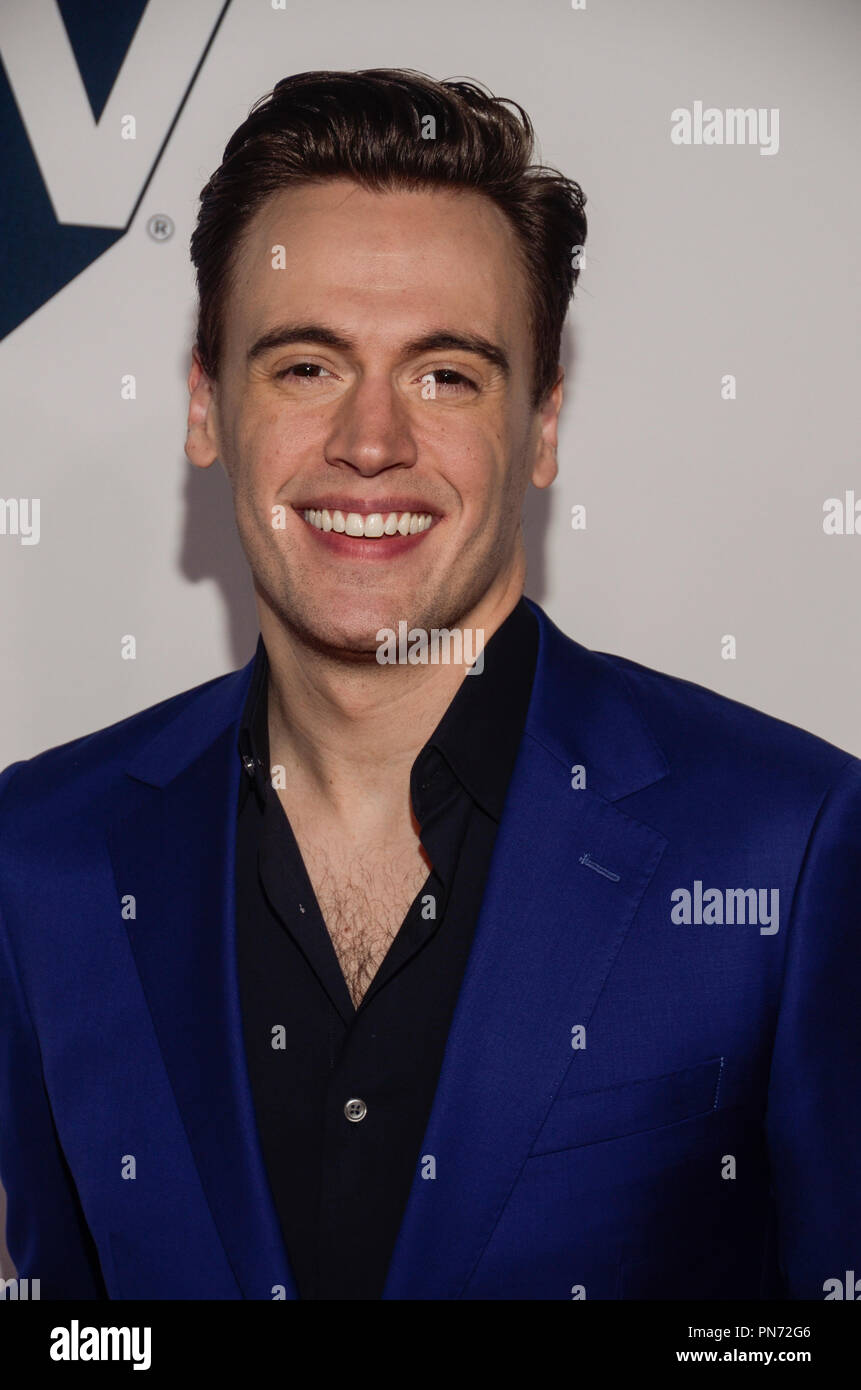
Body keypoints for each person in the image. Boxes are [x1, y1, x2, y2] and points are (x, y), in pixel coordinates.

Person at [0, 69, 858, 1302]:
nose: (370, 440)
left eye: (445, 374)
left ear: (544, 423)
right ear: (205, 406)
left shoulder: (788, 845)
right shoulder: (44, 856)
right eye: (304, 366)